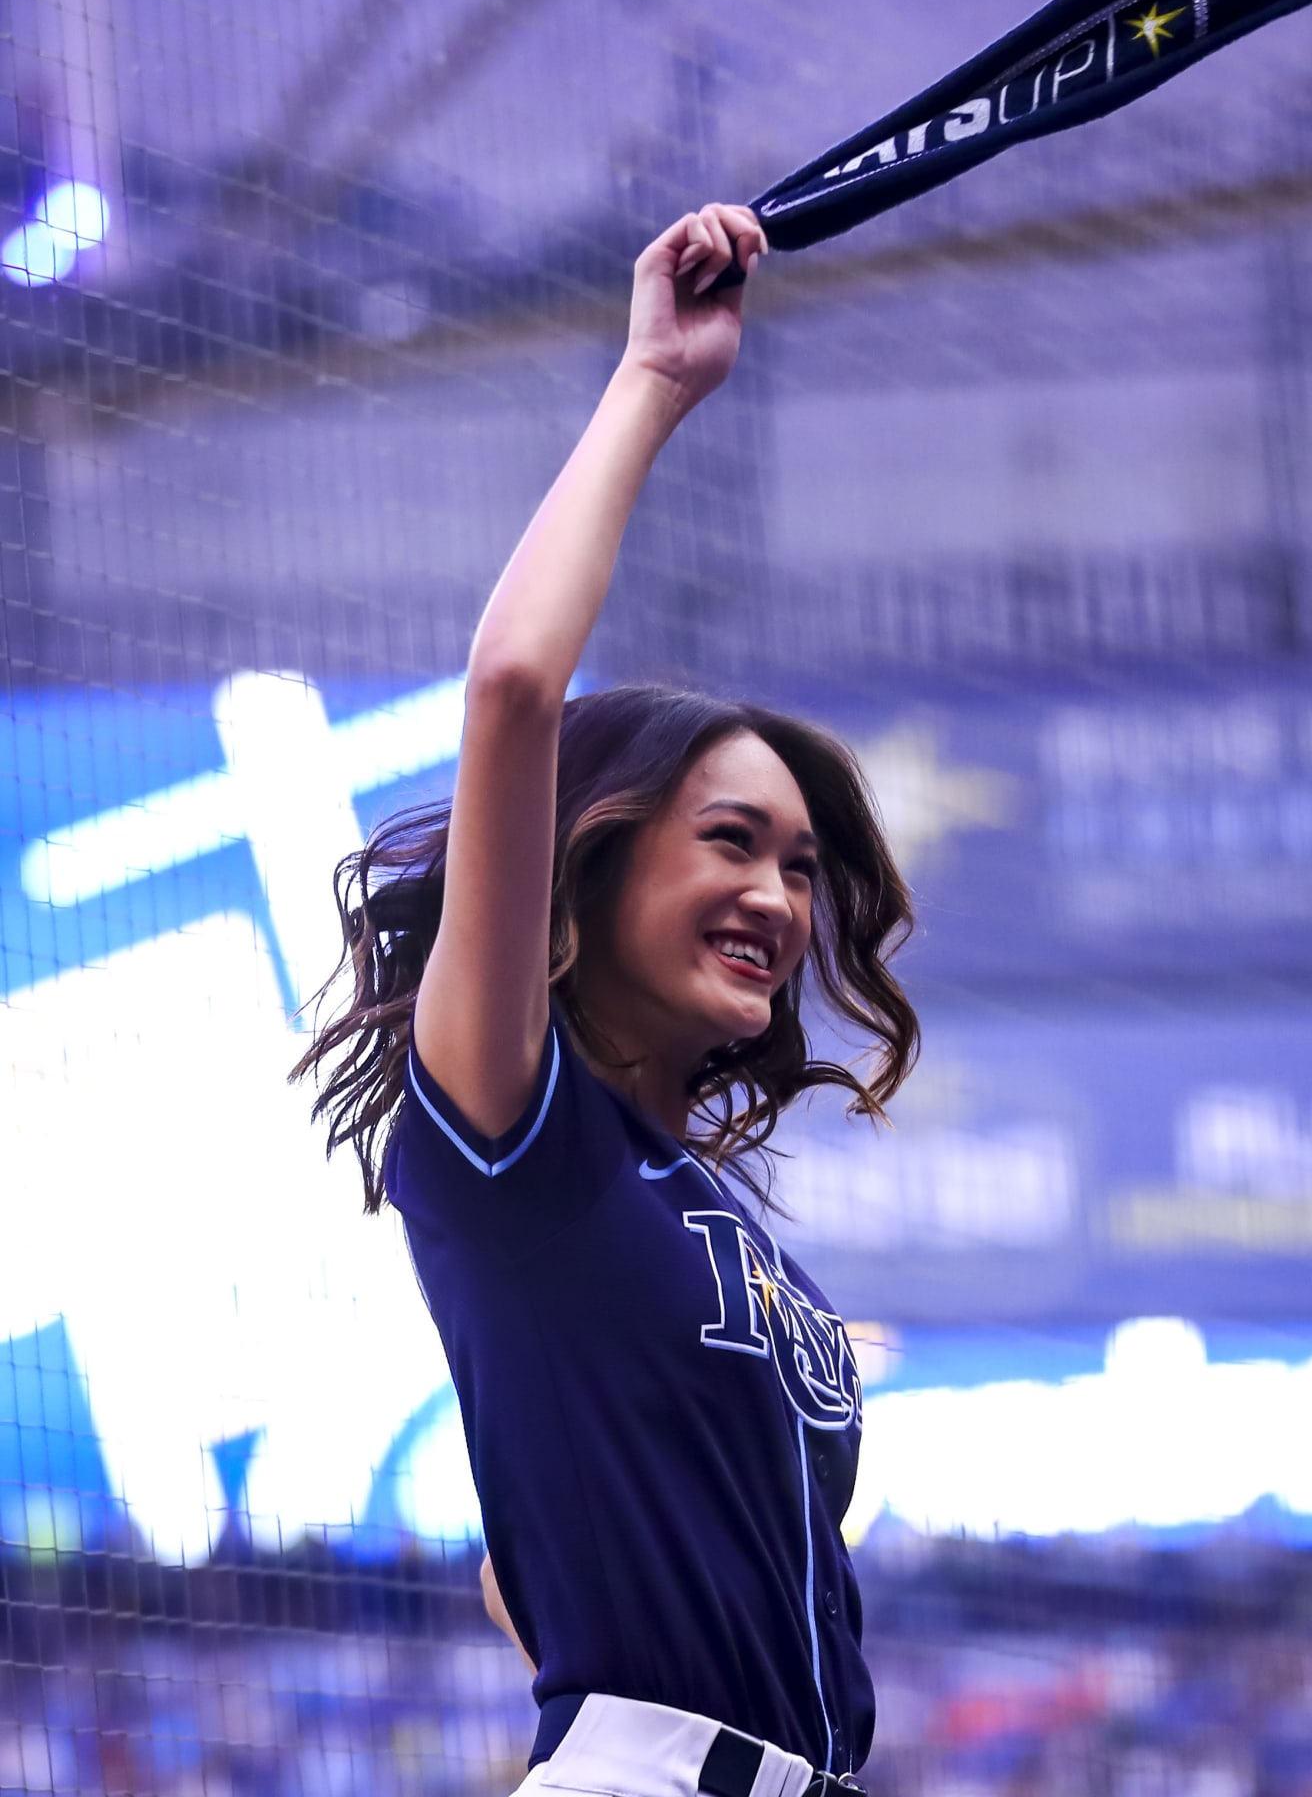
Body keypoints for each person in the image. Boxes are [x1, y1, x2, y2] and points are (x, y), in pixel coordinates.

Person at [295, 203, 919, 1797]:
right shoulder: (518, 1133)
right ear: (595, 850)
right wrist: (654, 379)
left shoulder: (694, 1206)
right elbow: (515, 688)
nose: (780, 899)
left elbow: (539, 1564)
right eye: (731, 842)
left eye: (800, 867)